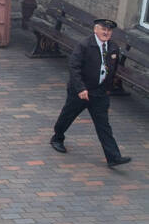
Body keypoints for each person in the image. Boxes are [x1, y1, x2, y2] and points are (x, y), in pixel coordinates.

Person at [50, 19, 132, 167]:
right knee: (68, 115)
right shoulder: (85, 45)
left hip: (99, 93)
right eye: (103, 29)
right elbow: (74, 67)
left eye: (109, 30)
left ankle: (113, 157)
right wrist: (81, 89)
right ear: (95, 29)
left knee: (104, 125)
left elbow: (111, 70)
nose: (106, 32)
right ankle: (57, 137)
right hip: (81, 91)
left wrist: (107, 89)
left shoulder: (113, 47)